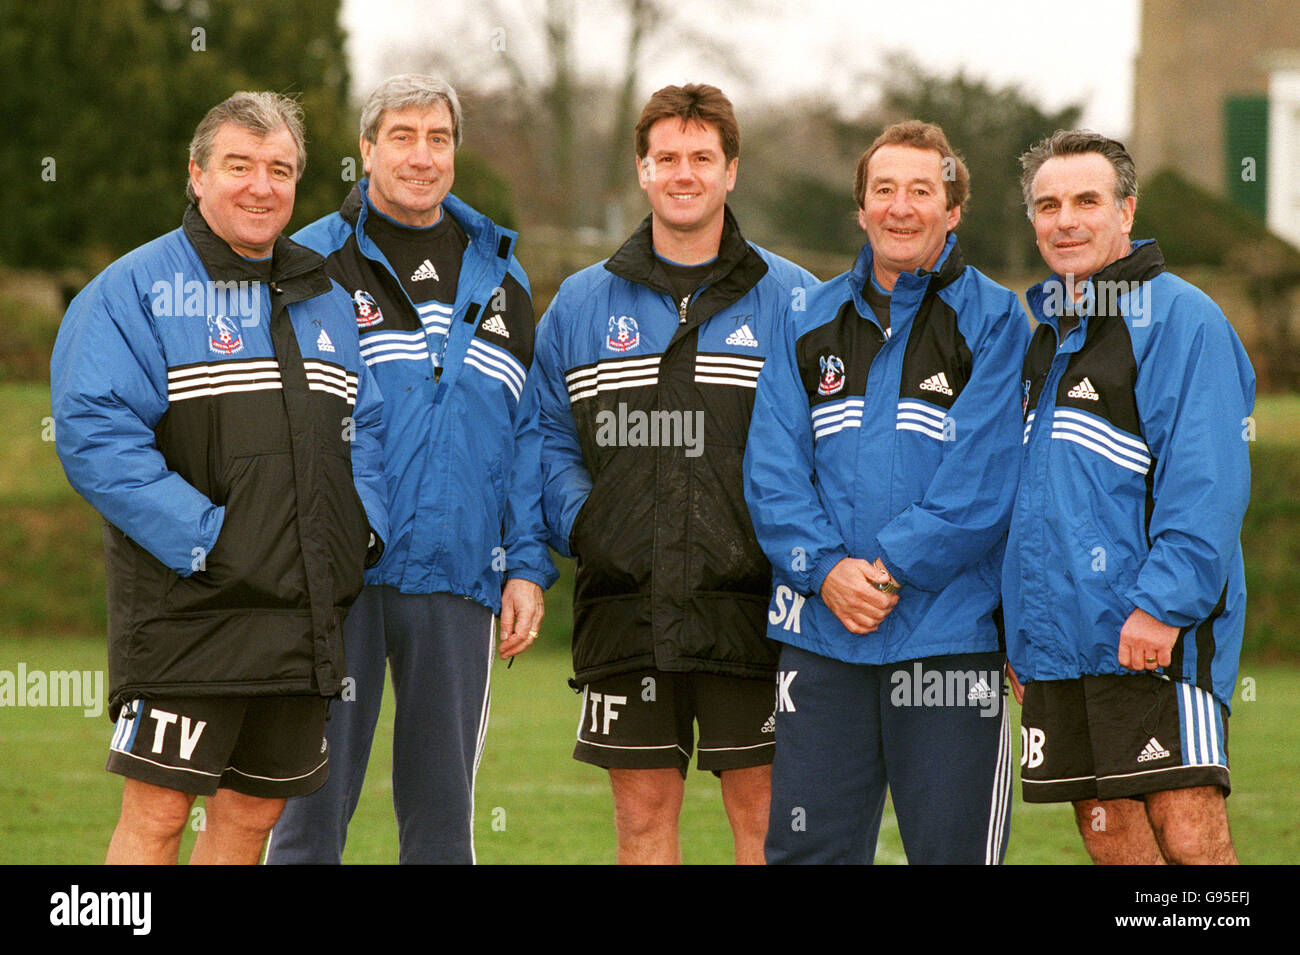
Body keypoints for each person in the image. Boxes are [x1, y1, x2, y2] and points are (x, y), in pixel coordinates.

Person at [50, 91, 388, 865]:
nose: (261, 186)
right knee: (160, 812)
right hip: (188, 605)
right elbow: (96, 435)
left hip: (300, 611)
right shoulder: (133, 290)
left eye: (280, 169)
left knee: (252, 815)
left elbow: (363, 426)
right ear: (197, 174)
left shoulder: (324, 298)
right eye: (239, 165)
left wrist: (357, 529)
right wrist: (211, 540)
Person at [265, 74, 556, 866]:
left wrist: (526, 563)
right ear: (365, 149)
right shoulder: (306, 258)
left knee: (440, 826)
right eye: (402, 136)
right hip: (333, 573)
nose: (421, 156)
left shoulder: (504, 274)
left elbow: (527, 434)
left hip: (457, 571)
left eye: (438, 138)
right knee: (306, 813)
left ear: (455, 152)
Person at [534, 83, 814, 865]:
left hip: (759, 610)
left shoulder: (797, 298)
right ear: (642, 170)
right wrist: (586, 524)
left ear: (732, 171)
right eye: (666, 158)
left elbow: (830, 446)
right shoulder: (582, 304)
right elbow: (547, 434)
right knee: (643, 821)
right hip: (628, 606)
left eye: (701, 157)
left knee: (765, 820)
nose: (682, 173)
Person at [744, 120, 1029, 864]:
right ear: (861, 209)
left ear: (953, 209)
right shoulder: (806, 318)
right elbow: (773, 470)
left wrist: (884, 570)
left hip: (949, 639)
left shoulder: (997, 319)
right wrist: (826, 570)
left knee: (952, 853)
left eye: (922, 190)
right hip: (823, 636)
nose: (901, 207)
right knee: (809, 854)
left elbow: (984, 484)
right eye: (884, 190)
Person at [1004, 130, 1254, 864]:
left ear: (1127, 209)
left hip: (1152, 635)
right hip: (1062, 642)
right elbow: (1034, 498)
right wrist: (1023, 629)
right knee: (1108, 832)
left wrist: (1164, 605)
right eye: (1048, 205)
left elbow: (1206, 480)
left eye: (1087, 200)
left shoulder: (1181, 317)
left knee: (1188, 831)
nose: (1065, 219)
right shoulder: (1047, 333)